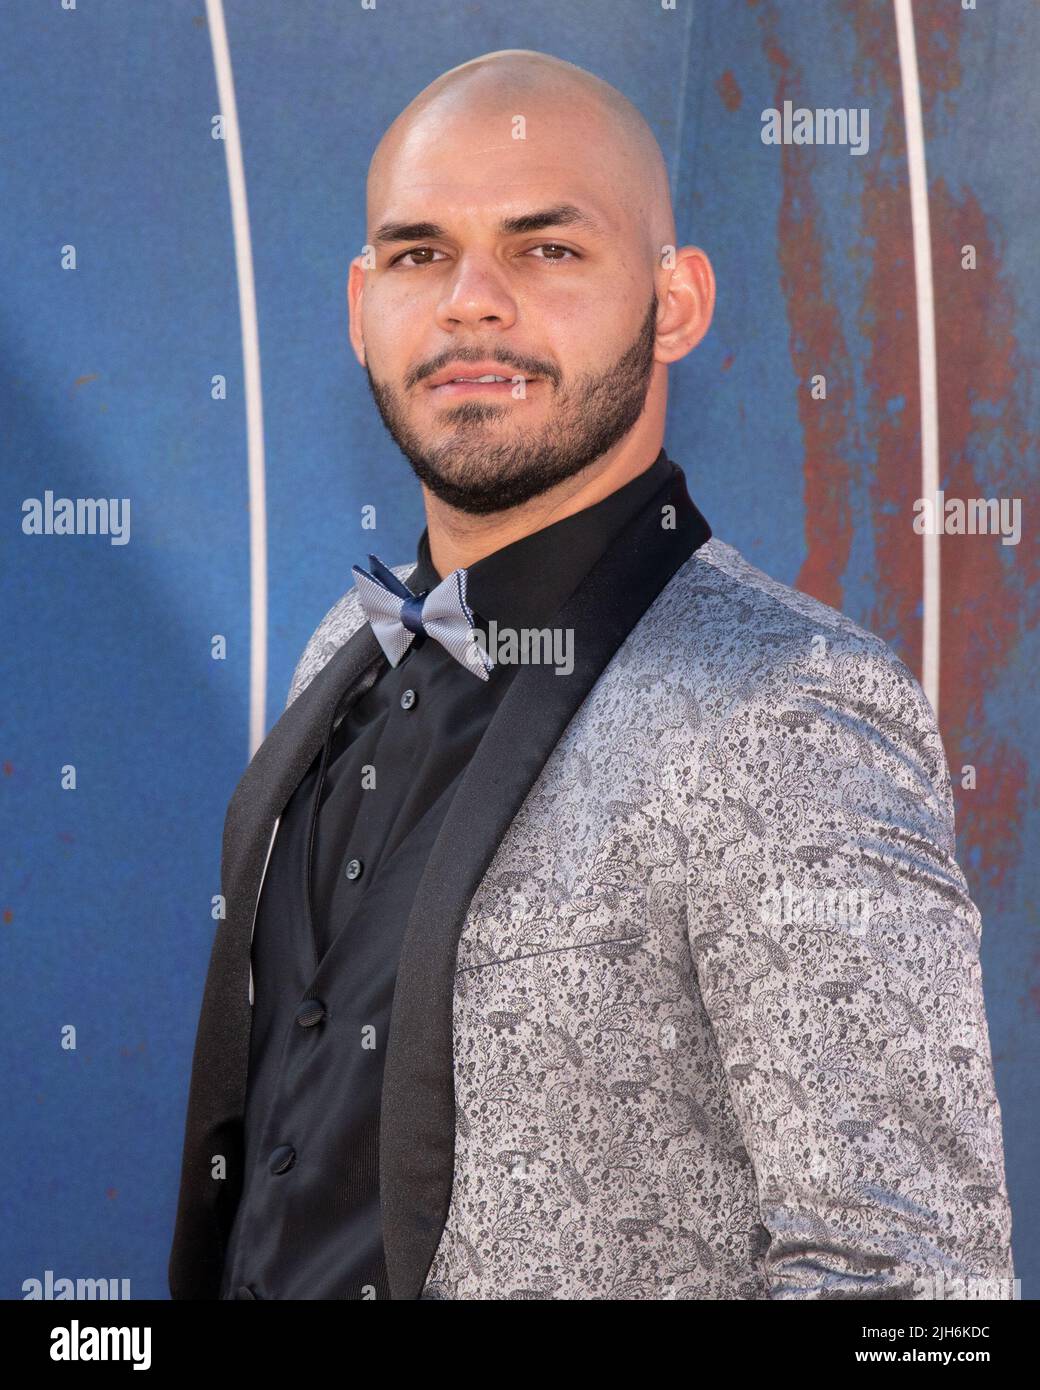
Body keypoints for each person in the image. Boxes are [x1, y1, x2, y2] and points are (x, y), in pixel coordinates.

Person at [169, 48, 1014, 1300]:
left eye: (543, 249)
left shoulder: (783, 709)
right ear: (359, 307)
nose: (469, 301)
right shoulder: (333, 662)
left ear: (673, 303)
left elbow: (911, 1286)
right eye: (417, 255)